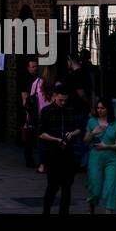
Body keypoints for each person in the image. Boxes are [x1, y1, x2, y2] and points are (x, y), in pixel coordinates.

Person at [38, 83, 82, 214]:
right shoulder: (46, 111)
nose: (63, 102)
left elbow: (79, 128)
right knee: (52, 186)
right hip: (53, 153)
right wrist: (56, 139)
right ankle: (46, 210)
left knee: (67, 187)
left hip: (68, 154)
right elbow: (41, 133)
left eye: (65, 100)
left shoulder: (71, 110)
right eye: (60, 100)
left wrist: (72, 133)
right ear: (54, 97)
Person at [83, 98, 116, 213]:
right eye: (98, 108)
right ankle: (91, 207)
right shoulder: (92, 121)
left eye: (102, 108)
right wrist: (93, 132)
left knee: (110, 188)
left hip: (111, 159)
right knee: (95, 189)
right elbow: (85, 140)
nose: (99, 110)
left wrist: (107, 146)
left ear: (108, 109)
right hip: (95, 157)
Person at [30, 66, 56, 172]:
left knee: (42, 141)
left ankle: (42, 165)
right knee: (54, 141)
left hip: (40, 115)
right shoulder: (57, 85)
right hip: (54, 115)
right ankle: (52, 163)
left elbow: (31, 99)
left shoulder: (36, 83)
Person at [18, 58, 40, 168]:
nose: (35, 68)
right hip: (30, 111)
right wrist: (27, 112)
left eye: (36, 66)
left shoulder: (37, 78)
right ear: (28, 68)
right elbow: (24, 97)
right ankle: (29, 159)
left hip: (36, 110)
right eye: (33, 67)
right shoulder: (26, 79)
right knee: (30, 136)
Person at [66, 55, 94, 124]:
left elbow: (81, 93)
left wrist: (89, 104)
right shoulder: (86, 73)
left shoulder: (75, 75)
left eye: (68, 61)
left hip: (77, 108)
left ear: (71, 61)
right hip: (83, 108)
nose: (67, 63)